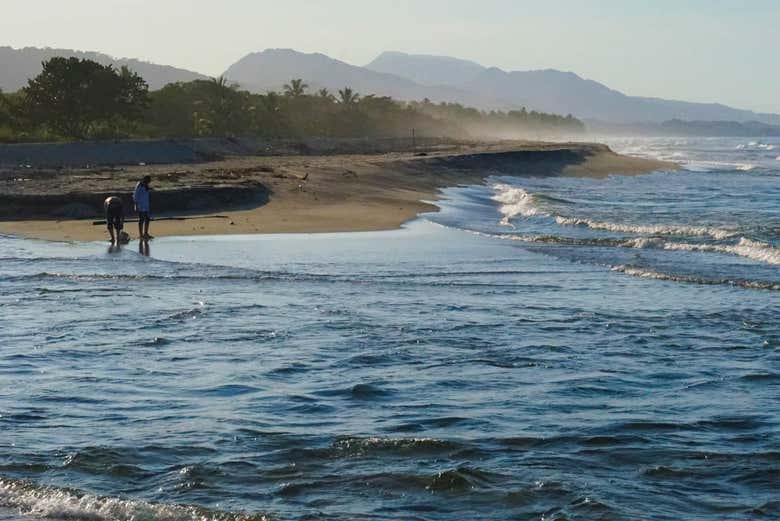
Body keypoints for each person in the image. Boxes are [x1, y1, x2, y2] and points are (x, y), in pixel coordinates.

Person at [133, 175, 153, 240]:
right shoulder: (139, 186)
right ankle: (141, 234)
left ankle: (146, 233)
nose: (148, 183)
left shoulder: (146, 186)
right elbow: (135, 196)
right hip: (140, 205)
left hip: (146, 205)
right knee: (141, 220)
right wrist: (135, 205)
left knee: (147, 219)